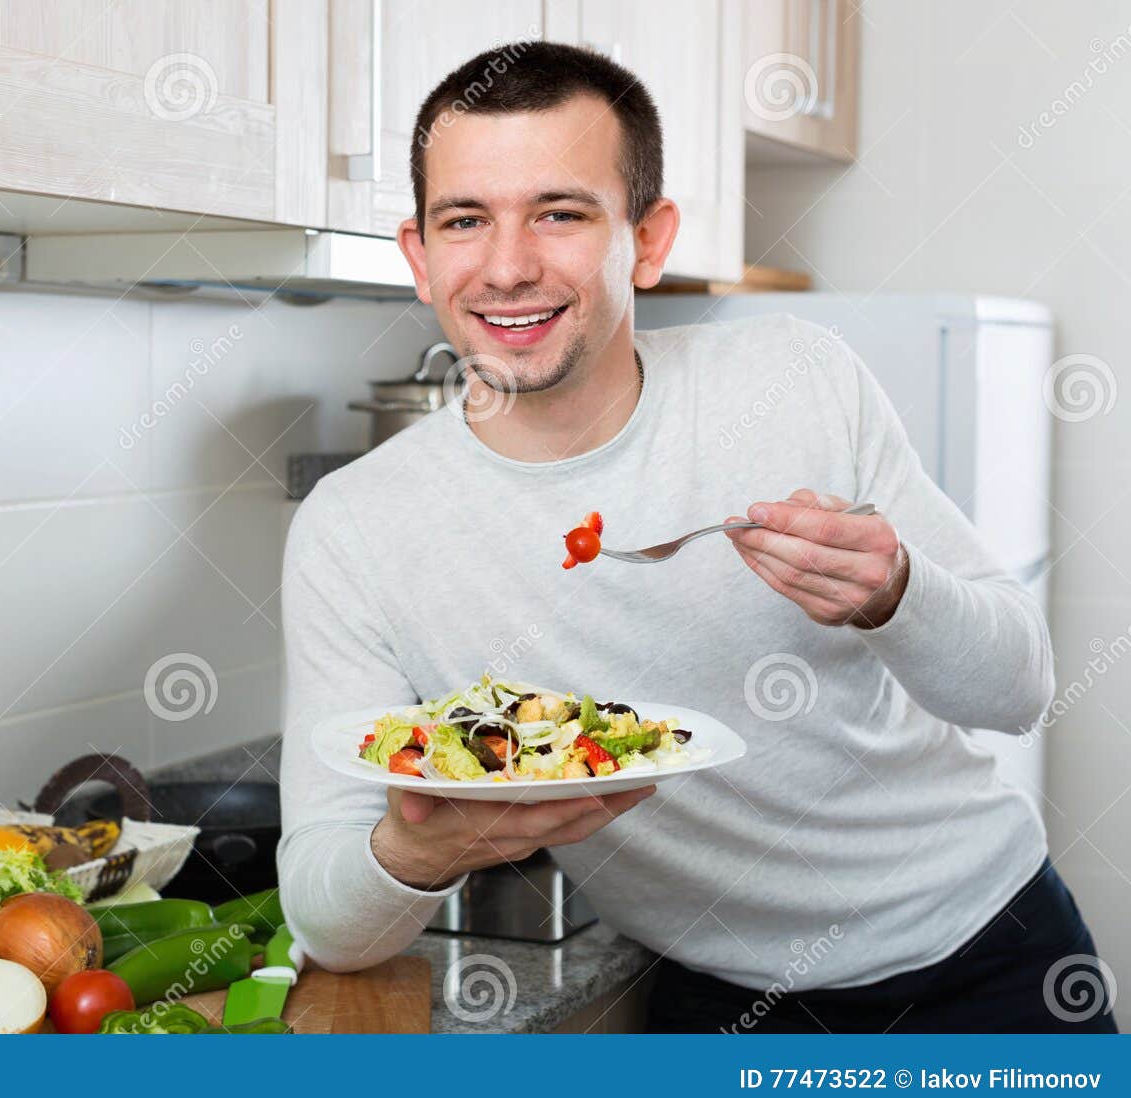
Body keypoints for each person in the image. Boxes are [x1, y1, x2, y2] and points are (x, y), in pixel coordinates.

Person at [276, 41, 1115, 1033]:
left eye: (560, 213)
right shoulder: (353, 528)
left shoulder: (794, 378)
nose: (507, 267)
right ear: (419, 256)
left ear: (647, 239)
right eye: (466, 220)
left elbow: (1019, 690)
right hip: (722, 996)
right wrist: (418, 853)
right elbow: (325, 919)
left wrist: (897, 591)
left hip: (987, 951)